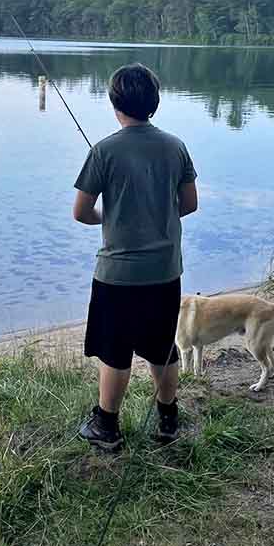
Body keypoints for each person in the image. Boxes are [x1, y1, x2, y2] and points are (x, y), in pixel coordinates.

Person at [72, 63, 198, 451]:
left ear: (115, 104)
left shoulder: (104, 151)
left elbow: (81, 211)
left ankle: (106, 427)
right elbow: (189, 204)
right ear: (154, 104)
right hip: (163, 271)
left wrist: (108, 218)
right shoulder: (175, 146)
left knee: (115, 349)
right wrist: (154, 215)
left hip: (117, 274)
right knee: (162, 345)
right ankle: (168, 420)